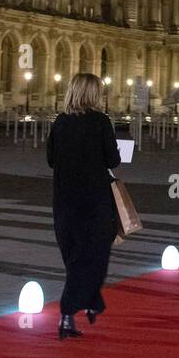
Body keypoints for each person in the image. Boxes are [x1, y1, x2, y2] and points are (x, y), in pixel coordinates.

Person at [47, 72, 123, 339]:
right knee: (96, 256)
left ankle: (90, 302)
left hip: (65, 202)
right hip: (95, 202)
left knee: (75, 258)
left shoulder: (60, 122)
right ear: (93, 94)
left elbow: (51, 160)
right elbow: (113, 160)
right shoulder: (101, 122)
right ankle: (69, 313)